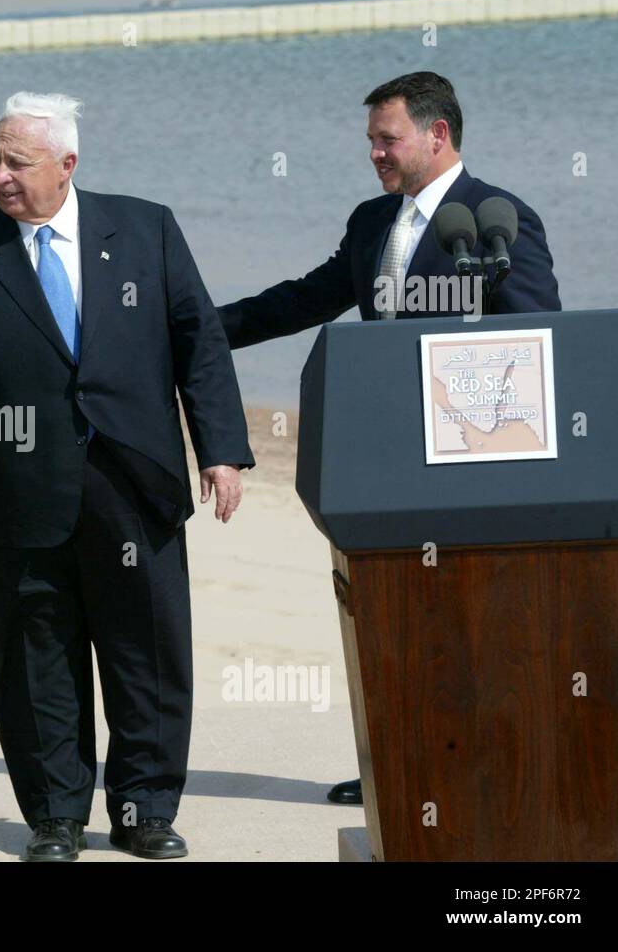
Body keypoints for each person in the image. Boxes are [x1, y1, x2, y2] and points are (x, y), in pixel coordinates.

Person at [0, 92, 253, 861]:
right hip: (14, 494)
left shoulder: (146, 228)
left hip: (135, 482)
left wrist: (220, 448)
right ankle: (55, 815)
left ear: (67, 164)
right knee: (36, 656)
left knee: (147, 654)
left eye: (16, 162)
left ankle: (145, 809)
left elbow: (200, 341)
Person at [218, 71, 562, 806]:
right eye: (371, 140)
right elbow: (307, 298)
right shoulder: (374, 221)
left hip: (473, 467)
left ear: (437, 135)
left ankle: (483, 771)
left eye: (387, 138)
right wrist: (201, 333)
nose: (374, 152)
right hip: (387, 465)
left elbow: (538, 340)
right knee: (392, 617)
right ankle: (397, 764)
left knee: (472, 628)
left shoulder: (499, 219)